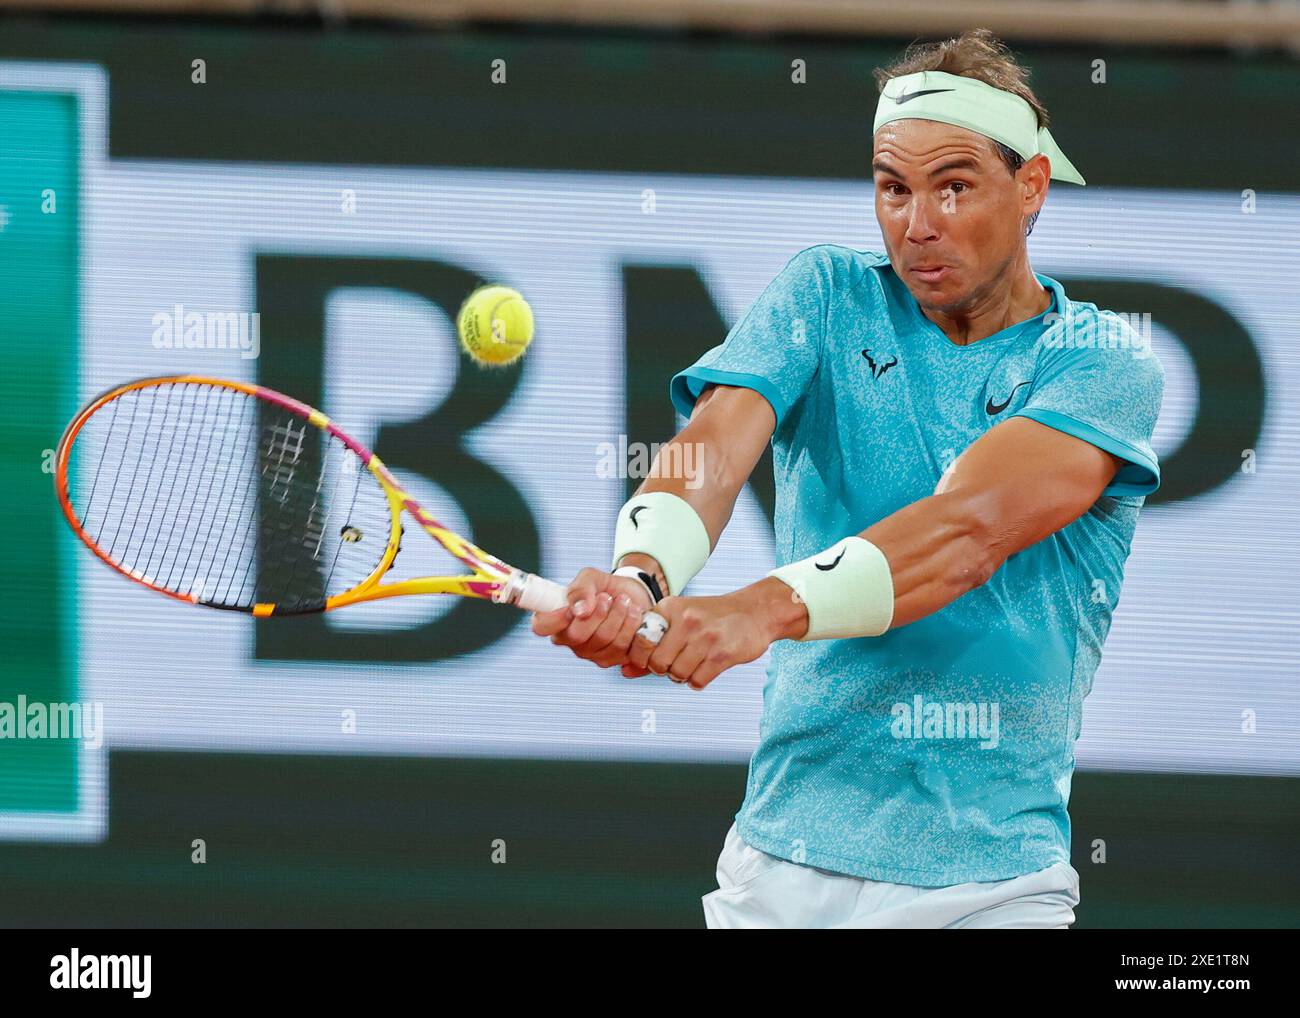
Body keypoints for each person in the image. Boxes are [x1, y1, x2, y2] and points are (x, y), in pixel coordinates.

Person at [532, 28, 1163, 929]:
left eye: (955, 186)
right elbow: (713, 446)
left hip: (988, 888)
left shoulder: (1100, 362)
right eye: (893, 188)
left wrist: (756, 611)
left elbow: (962, 535)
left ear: (1030, 187)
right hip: (780, 870)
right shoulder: (825, 296)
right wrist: (641, 579)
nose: (918, 223)